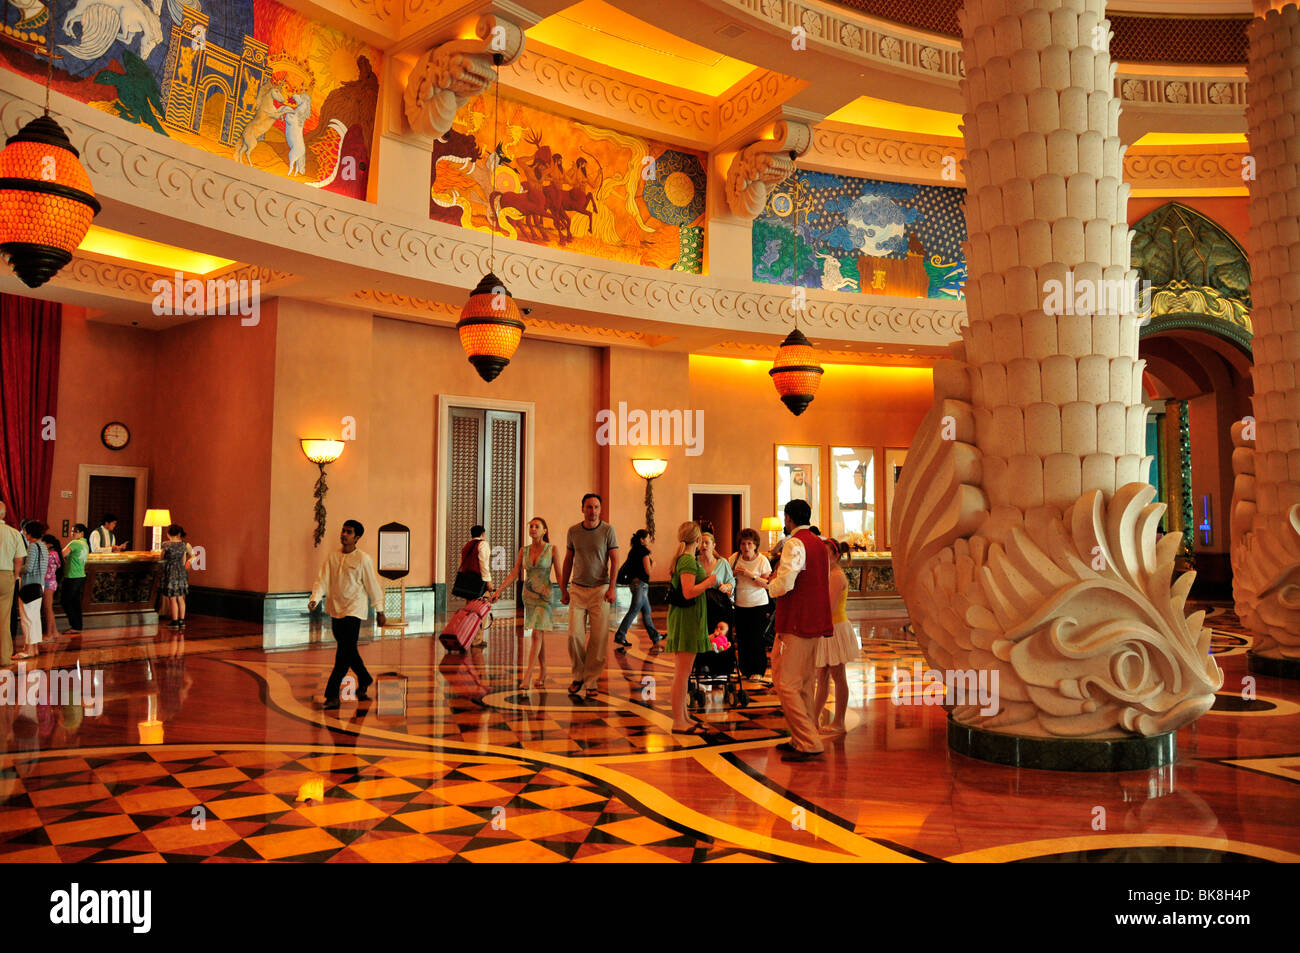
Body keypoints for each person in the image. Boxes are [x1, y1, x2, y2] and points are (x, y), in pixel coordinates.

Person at [767, 499, 833, 762]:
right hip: (814, 622)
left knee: (786, 683)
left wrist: (770, 586)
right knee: (804, 683)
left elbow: (786, 583)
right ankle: (801, 736)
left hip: (795, 622)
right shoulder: (819, 543)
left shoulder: (795, 544)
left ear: (788, 518)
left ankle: (808, 741)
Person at [307, 519, 386, 710]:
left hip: (354, 611)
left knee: (343, 655)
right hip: (335, 609)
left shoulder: (363, 559)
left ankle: (332, 695)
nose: (343, 534)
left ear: (357, 537)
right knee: (348, 649)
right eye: (343, 531)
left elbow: (372, 585)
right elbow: (322, 580)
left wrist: (380, 610)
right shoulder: (332, 557)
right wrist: (315, 598)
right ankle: (365, 677)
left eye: (348, 532)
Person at [491, 517, 562, 690]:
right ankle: (544, 670)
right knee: (540, 634)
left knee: (537, 634)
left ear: (544, 530)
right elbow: (515, 572)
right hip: (528, 597)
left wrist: (566, 592)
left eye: (537, 526)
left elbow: (560, 574)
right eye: (531, 526)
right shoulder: (524, 550)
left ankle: (527, 676)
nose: (533, 529)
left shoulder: (552, 549)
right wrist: (499, 591)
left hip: (544, 597)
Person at [560, 493, 618, 699]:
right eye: (588, 507)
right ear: (582, 508)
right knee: (574, 635)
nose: (592, 511)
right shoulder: (573, 531)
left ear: (600, 509)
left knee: (598, 638)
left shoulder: (608, 530)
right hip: (577, 588)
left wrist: (612, 588)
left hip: (600, 591)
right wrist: (563, 588)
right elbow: (568, 560)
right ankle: (578, 675)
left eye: (595, 507)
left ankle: (591, 679)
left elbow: (615, 560)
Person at [666, 521, 720, 733]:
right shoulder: (688, 560)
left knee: (684, 672)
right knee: (682, 673)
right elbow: (688, 591)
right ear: (697, 540)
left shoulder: (686, 559)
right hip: (687, 620)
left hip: (690, 618)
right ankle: (679, 721)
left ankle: (684, 717)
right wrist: (709, 582)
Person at [814, 538, 857, 735]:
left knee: (838, 675)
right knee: (821, 675)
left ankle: (839, 721)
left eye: (826, 554)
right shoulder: (828, 573)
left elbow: (828, 608)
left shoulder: (836, 576)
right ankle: (813, 719)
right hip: (827, 628)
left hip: (835, 628)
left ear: (835, 555)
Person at [730, 528, 773, 680]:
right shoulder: (734, 558)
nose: (746, 547)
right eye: (743, 543)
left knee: (756, 638)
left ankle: (758, 670)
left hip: (758, 604)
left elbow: (767, 583)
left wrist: (750, 575)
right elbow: (728, 577)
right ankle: (745, 669)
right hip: (740, 604)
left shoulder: (762, 560)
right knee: (742, 639)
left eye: (749, 543)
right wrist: (734, 573)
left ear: (755, 545)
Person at [613, 529, 662, 652]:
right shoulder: (644, 552)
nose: (649, 540)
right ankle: (620, 635)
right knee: (634, 610)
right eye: (647, 538)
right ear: (642, 540)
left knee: (647, 612)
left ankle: (655, 637)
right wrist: (654, 564)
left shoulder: (632, 552)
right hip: (641, 585)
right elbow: (648, 571)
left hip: (634, 584)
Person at [13, 521, 49, 661]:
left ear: (29, 533)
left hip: (29, 585)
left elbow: (28, 568)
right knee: (34, 618)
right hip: (39, 585)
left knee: (27, 619)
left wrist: (16, 570)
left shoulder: (33, 547)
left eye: (25, 531)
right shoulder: (44, 547)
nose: (24, 534)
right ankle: (33, 648)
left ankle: (28, 649)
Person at [453, 525, 493, 645]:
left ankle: (468, 637)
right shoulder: (483, 544)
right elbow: (484, 565)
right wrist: (488, 581)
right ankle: (477, 639)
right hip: (479, 581)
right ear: (483, 534)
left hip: (467, 582)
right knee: (482, 609)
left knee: (470, 610)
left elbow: (462, 563)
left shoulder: (466, 546)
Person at [0, 501, 27, 665]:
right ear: (3, 514)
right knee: (3, 619)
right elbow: (19, 559)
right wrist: (15, 576)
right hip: (7, 576)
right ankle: (3, 658)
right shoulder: (13, 533)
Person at [160, 524, 194, 629]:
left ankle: (174, 621)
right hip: (181, 571)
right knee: (181, 597)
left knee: (172, 598)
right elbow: (194, 555)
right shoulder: (185, 545)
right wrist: (189, 561)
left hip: (170, 572)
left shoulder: (166, 544)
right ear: (179, 534)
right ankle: (182, 620)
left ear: (168, 534)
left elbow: (161, 557)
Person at [60, 524, 89, 634]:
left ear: (82, 533)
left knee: (65, 601)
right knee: (75, 603)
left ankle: (75, 625)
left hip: (72, 576)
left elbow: (61, 553)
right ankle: (77, 626)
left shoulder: (75, 543)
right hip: (80, 575)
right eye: (72, 531)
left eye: (75, 531)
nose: (72, 533)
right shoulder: (85, 543)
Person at [40, 534, 61, 638]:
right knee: (48, 608)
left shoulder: (51, 555)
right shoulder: (54, 554)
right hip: (50, 581)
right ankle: (54, 632)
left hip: (48, 582)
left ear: (49, 544)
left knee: (48, 608)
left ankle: (49, 634)